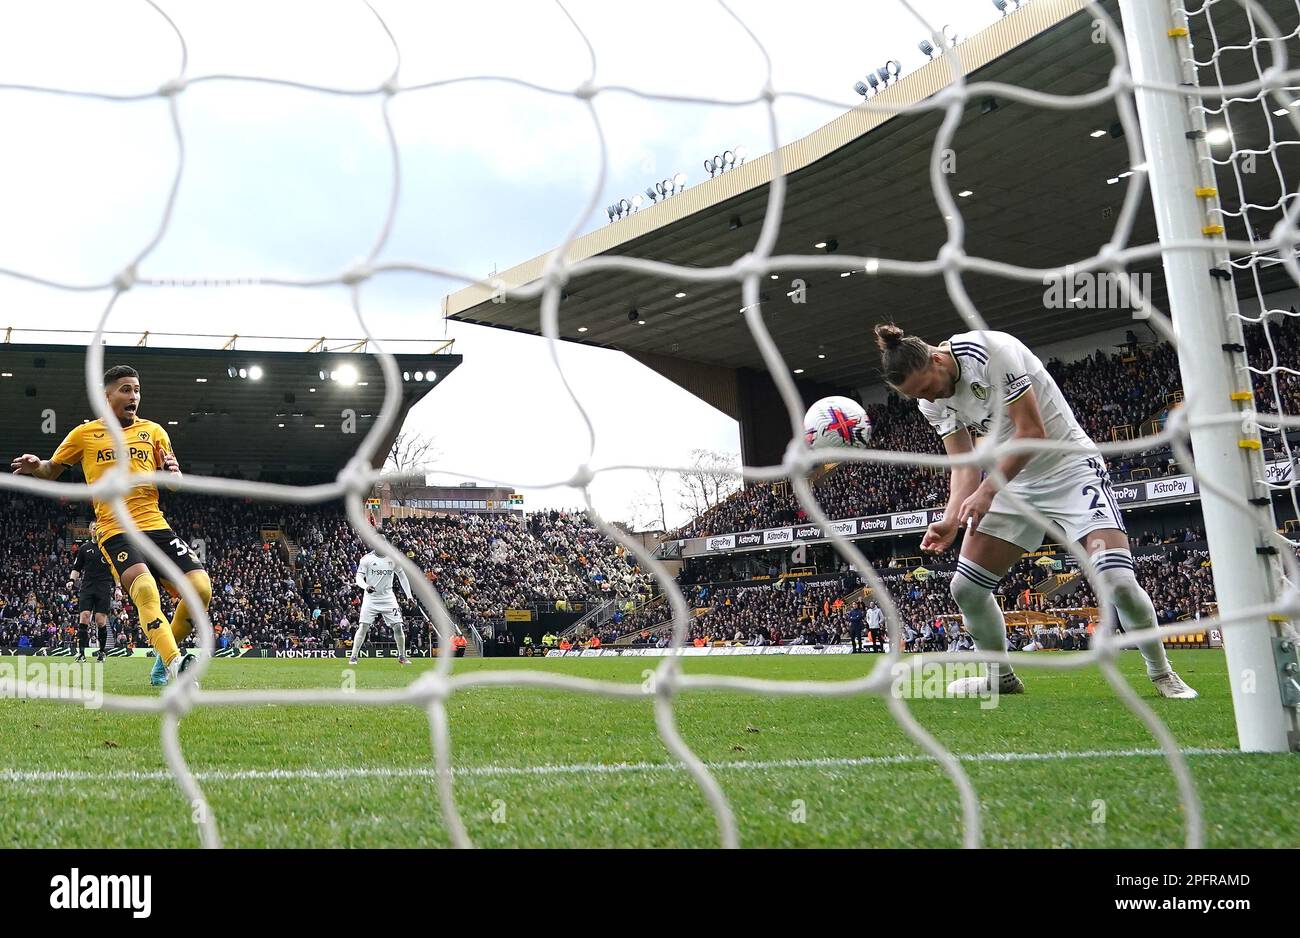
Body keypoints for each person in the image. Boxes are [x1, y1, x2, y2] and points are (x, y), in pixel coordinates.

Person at [873, 323, 1195, 698]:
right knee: (966, 589)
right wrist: (949, 518)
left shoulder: (990, 352)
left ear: (937, 359)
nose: (929, 397)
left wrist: (987, 491)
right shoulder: (930, 402)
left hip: (1070, 469)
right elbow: (964, 465)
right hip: (1012, 484)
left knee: (1117, 582)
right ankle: (1000, 678)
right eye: (918, 395)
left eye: (927, 386)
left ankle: (1161, 673)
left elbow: (1031, 432)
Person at [12, 365, 210, 687]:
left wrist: (175, 476)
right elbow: (51, 471)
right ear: (107, 396)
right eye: (126, 390)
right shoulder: (84, 435)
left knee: (201, 589)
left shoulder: (155, 431)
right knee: (145, 589)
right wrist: (37, 466)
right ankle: (175, 662)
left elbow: (173, 483)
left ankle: (162, 660)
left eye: (137, 390)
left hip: (154, 524)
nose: (134, 396)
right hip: (114, 528)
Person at [349, 545, 414, 665]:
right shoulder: (366, 559)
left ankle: (402, 656)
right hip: (371, 598)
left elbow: (402, 576)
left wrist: (409, 596)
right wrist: (366, 586)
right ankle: (353, 656)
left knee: (398, 627)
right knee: (363, 627)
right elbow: (358, 577)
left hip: (388, 598)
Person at [67, 522, 114, 663]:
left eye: (99, 528)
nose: (96, 531)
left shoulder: (109, 548)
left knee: (100, 621)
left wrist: (118, 587)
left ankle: (102, 653)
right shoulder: (84, 548)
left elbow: (115, 570)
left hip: (103, 587)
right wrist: (71, 580)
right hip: (87, 587)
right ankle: (81, 654)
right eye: (94, 528)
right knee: (84, 617)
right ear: (90, 531)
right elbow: (77, 568)